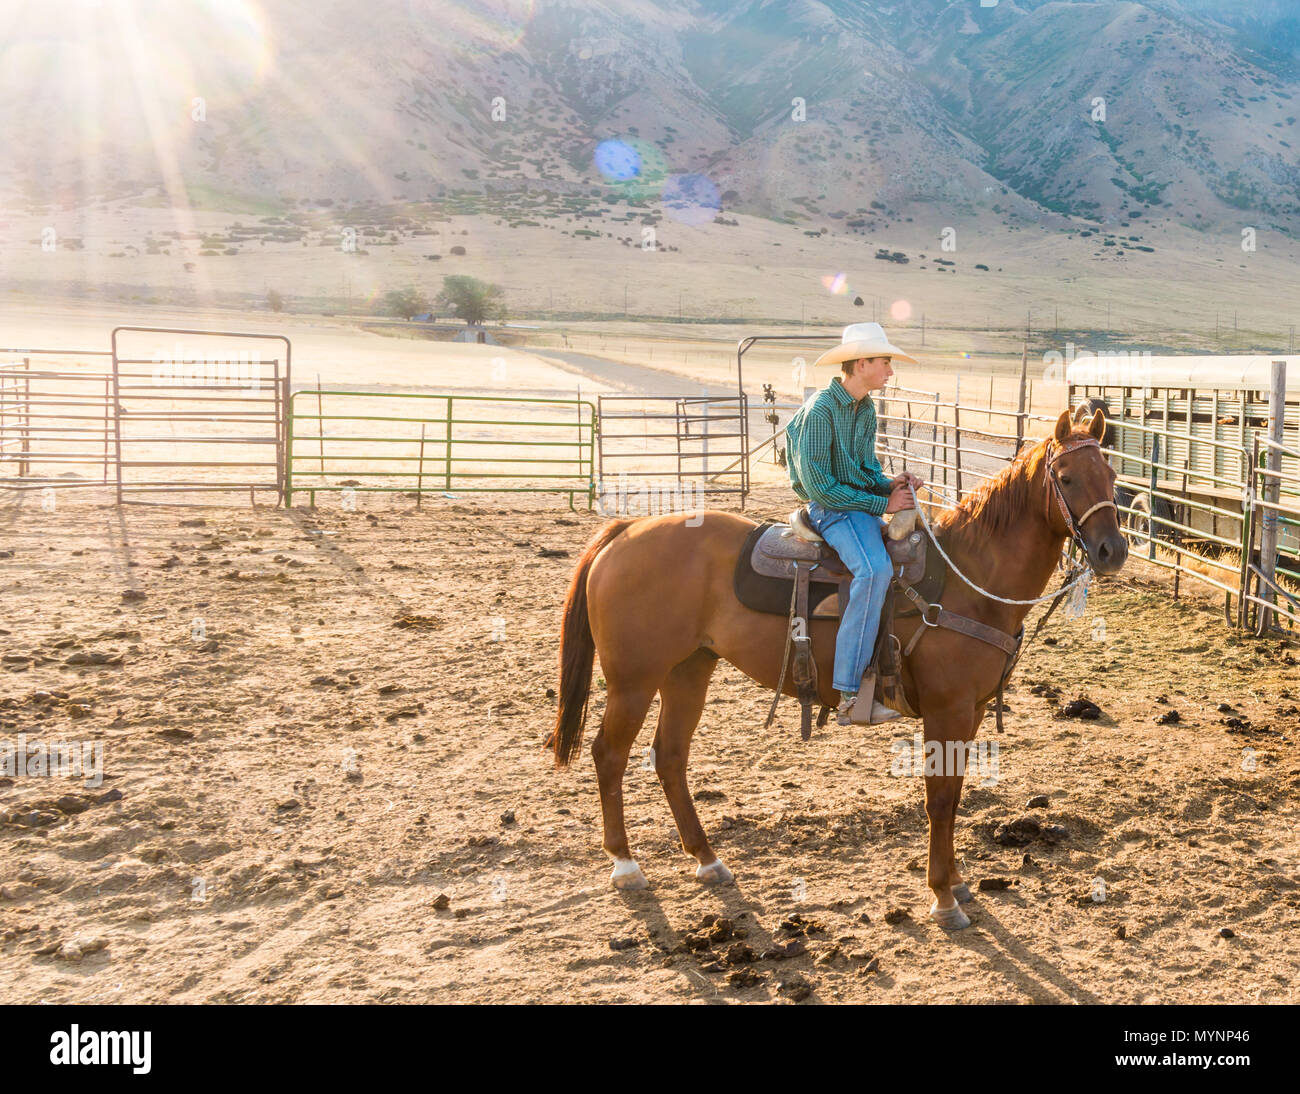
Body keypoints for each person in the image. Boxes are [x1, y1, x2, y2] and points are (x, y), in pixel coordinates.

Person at [784, 323, 924, 725]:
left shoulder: (864, 407)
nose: (890, 372)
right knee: (874, 569)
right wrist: (882, 501)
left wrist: (892, 483)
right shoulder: (821, 410)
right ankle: (848, 693)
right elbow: (820, 486)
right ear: (862, 364)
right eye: (885, 363)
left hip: (856, 505)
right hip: (830, 509)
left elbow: (864, 469)